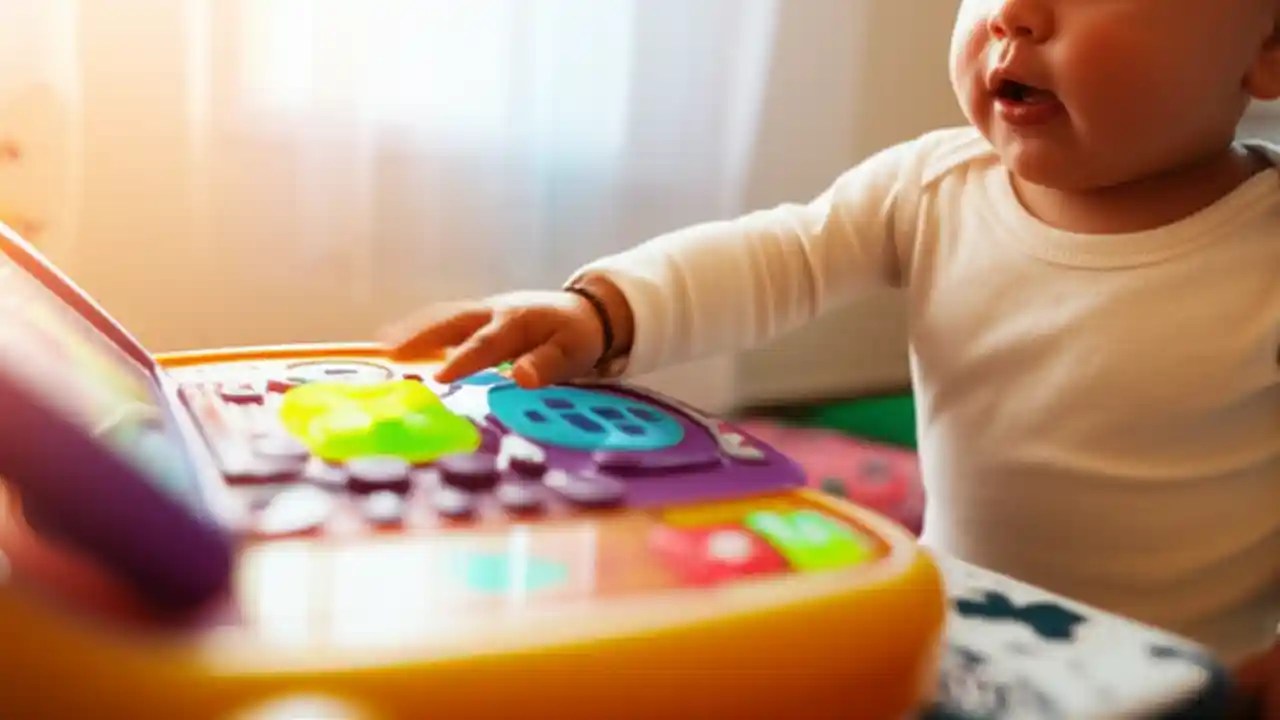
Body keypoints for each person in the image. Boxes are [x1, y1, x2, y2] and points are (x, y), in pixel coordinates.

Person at [382, 0, 1280, 713]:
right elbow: (786, 255)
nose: (1013, 13)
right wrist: (603, 311)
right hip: (951, 629)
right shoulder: (935, 183)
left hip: (1193, 678)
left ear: (1269, 45)